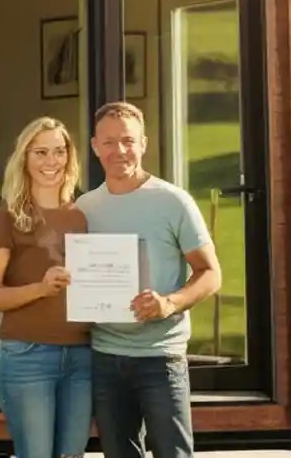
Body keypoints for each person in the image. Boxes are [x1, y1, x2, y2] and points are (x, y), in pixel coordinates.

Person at [76, 101, 222, 458]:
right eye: (109, 142)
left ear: (143, 144)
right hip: (105, 355)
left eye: (128, 141)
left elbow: (210, 273)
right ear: (95, 147)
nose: (119, 151)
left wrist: (169, 303)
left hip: (160, 357)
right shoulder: (84, 208)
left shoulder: (173, 201)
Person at [0, 116, 92, 458]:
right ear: (25, 158)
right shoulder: (8, 218)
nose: (51, 161)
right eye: (40, 152)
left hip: (83, 357)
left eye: (59, 151)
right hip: (28, 356)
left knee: (71, 455)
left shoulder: (85, 214)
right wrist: (40, 289)